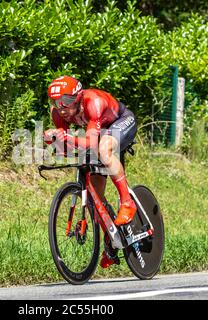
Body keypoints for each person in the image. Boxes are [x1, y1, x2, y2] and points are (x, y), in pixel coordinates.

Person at [43, 75, 138, 269]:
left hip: (120, 121)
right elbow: (66, 151)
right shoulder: (58, 113)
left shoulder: (92, 102)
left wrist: (67, 137)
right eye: (56, 102)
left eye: (67, 101)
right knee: (96, 198)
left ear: (78, 97)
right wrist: (55, 139)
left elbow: (92, 144)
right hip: (99, 132)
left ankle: (127, 202)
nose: (62, 107)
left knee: (103, 149)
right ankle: (111, 242)